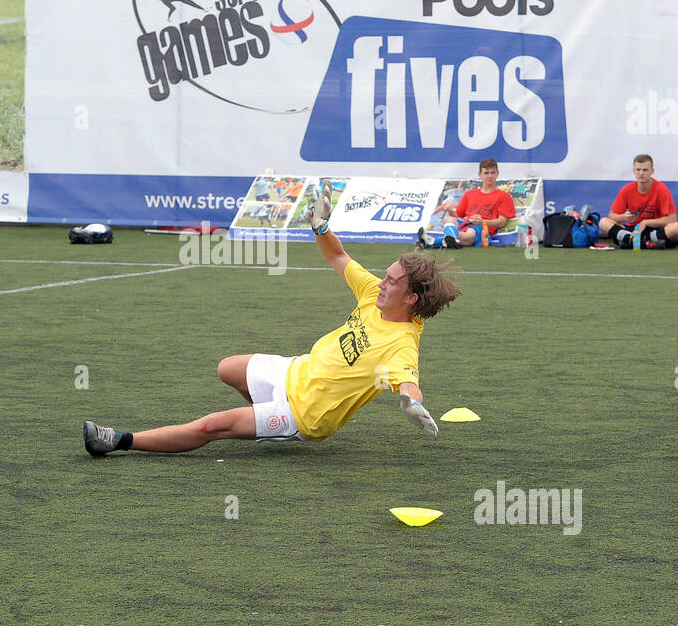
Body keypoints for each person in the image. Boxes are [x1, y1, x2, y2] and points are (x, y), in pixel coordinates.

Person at [83, 181, 458, 455]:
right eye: (386, 275)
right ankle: (261, 422)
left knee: (214, 426)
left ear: (410, 298)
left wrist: (412, 404)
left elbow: (409, 383)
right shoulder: (371, 293)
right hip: (293, 370)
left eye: (391, 282)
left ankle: (119, 440)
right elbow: (338, 257)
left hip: (302, 414)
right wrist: (321, 227)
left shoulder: (402, 345)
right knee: (226, 368)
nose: (382, 283)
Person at [598, 155, 678, 249]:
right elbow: (612, 216)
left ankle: (630, 242)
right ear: (633, 171)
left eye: (645, 170)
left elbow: (672, 219)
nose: (641, 173)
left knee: (677, 228)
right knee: (603, 222)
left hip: (655, 230)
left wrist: (646, 222)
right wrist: (624, 217)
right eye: (638, 170)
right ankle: (645, 243)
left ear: (652, 171)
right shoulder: (627, 189)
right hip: (632, 230)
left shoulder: (661, 189)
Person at [427, 157, 515, 249]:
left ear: (497, 174)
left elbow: (502, 222)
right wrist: (451, 208)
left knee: (469, 233)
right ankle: (447, 240)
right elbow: (458, 214)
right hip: (465, 223)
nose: (490, 176)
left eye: (493, 172)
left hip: (482, 228)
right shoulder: (470, 194)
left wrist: (482, 222)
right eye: (486, 173)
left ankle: (433, 242)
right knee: (449, 219)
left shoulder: (504, 196)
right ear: (480, 174)